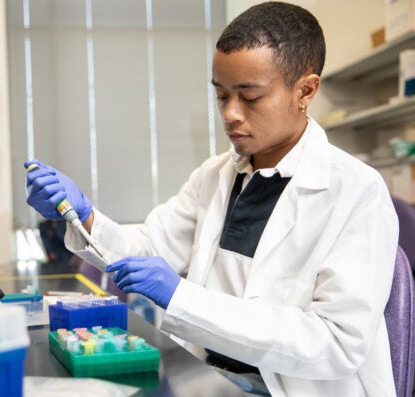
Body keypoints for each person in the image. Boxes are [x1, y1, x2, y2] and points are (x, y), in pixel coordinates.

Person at [24, 2, 399, 396]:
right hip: (208, 373)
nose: (231, 114)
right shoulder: (216, 175)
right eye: (221, 96)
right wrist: (81, 214)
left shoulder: (358, 193)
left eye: (249, 97)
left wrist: (182, 297)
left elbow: (334, 344)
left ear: (305, 90)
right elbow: (150, 249)